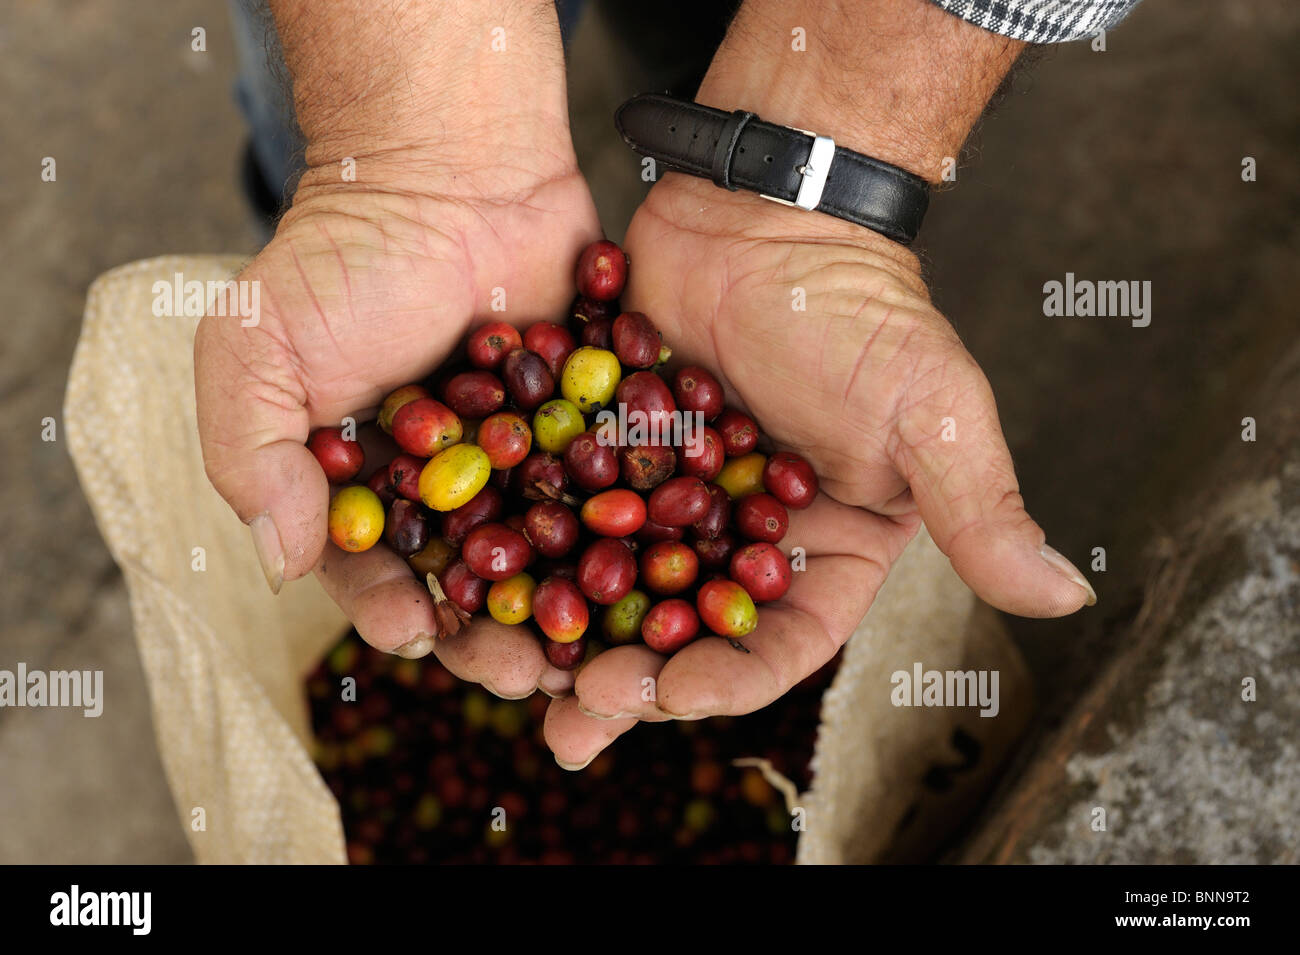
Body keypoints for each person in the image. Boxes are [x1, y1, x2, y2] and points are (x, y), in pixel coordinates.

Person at [196, 0, 1137, 770]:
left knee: (702, 29)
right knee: (323, 96)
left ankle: (718, 105)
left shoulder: (600, 475)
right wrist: (397, 150)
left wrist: (822, 146)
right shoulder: (583, 467)